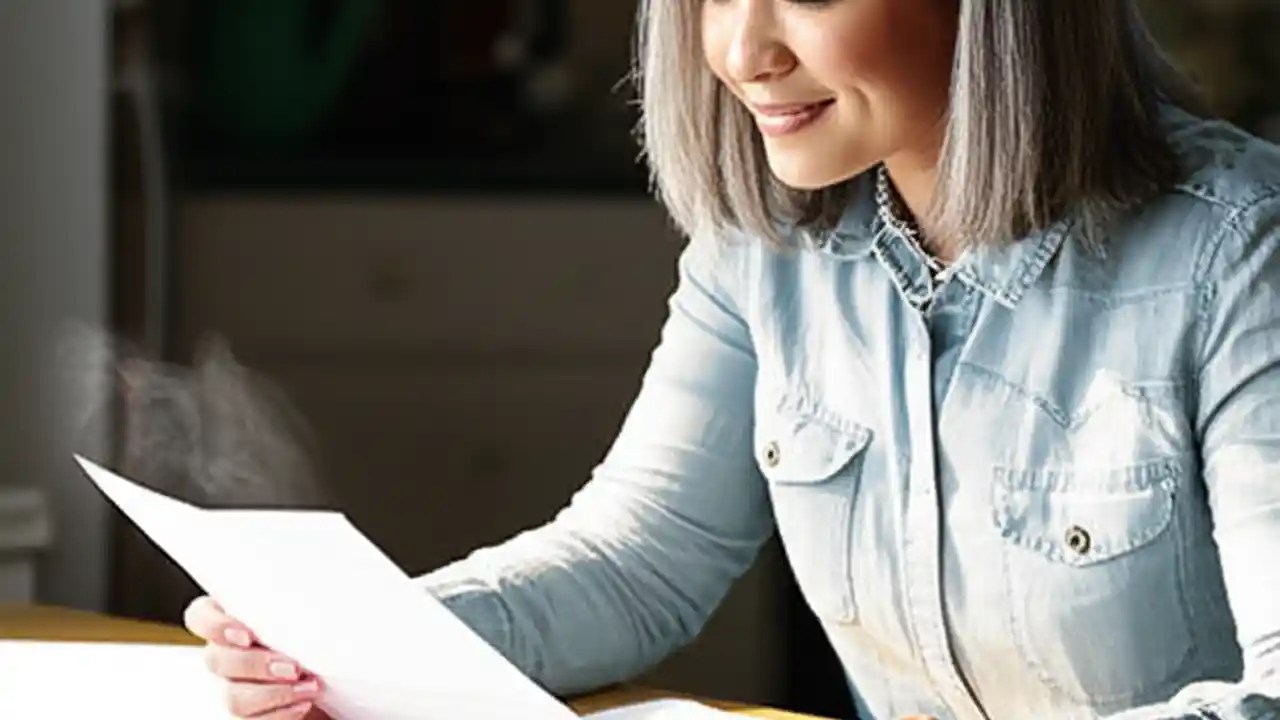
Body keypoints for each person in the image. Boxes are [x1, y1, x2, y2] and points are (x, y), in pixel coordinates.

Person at [184, 1, 1280, 718]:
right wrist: (350, 647)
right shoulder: (767, 244)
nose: (740, 52)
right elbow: (637, 561)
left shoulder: (1239, 254)